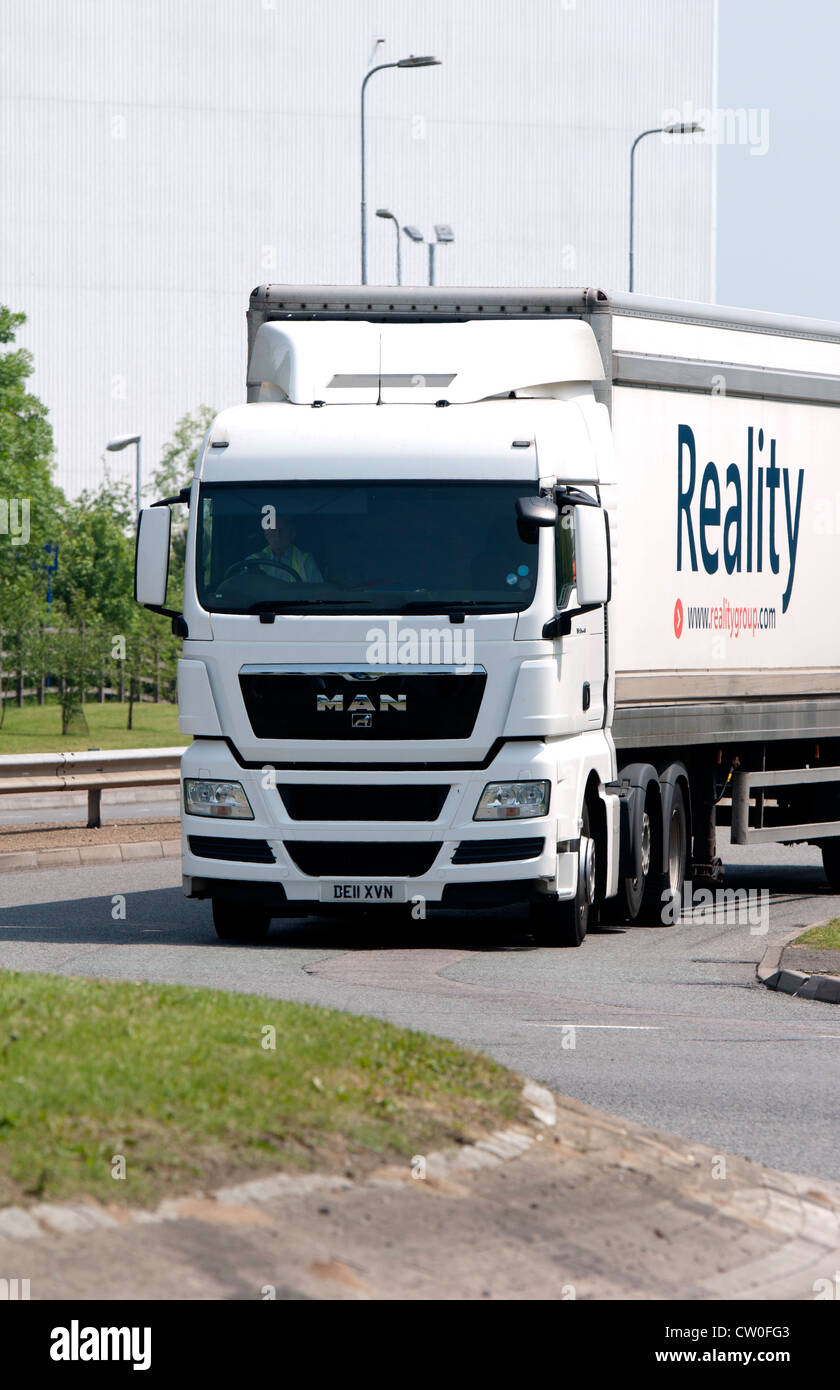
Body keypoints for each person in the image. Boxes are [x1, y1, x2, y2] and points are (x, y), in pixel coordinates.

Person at [248, 514, 323, 583]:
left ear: (292, 533)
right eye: (273, 530)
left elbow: (319, 593)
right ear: (266, 534)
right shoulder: (253, 561)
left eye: (282, 530)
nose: (277, 535)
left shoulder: (305, 561)